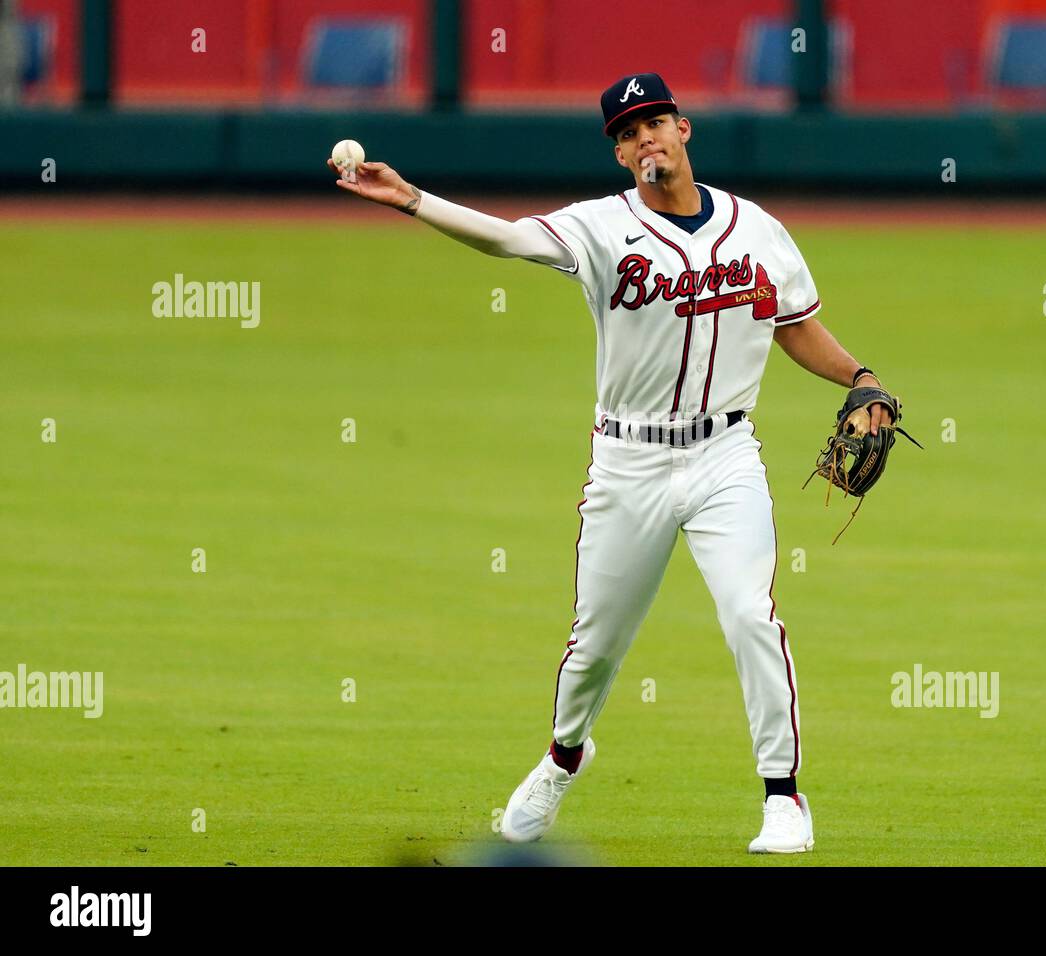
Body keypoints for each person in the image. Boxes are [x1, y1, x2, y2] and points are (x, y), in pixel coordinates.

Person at [329, 73, 892, 854]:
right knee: (594, 645)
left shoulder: (755, 227)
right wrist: (414, 199)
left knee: (750, 616)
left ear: (684, 129)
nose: (643, 139)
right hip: (628, 462)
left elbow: (793, 325)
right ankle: (564, 758)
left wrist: (861, 378)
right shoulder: (600, 228)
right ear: (621, 153)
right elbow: (508, 238)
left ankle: (783, 796)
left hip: (726, 454)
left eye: (654, 122)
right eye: (627, 134)